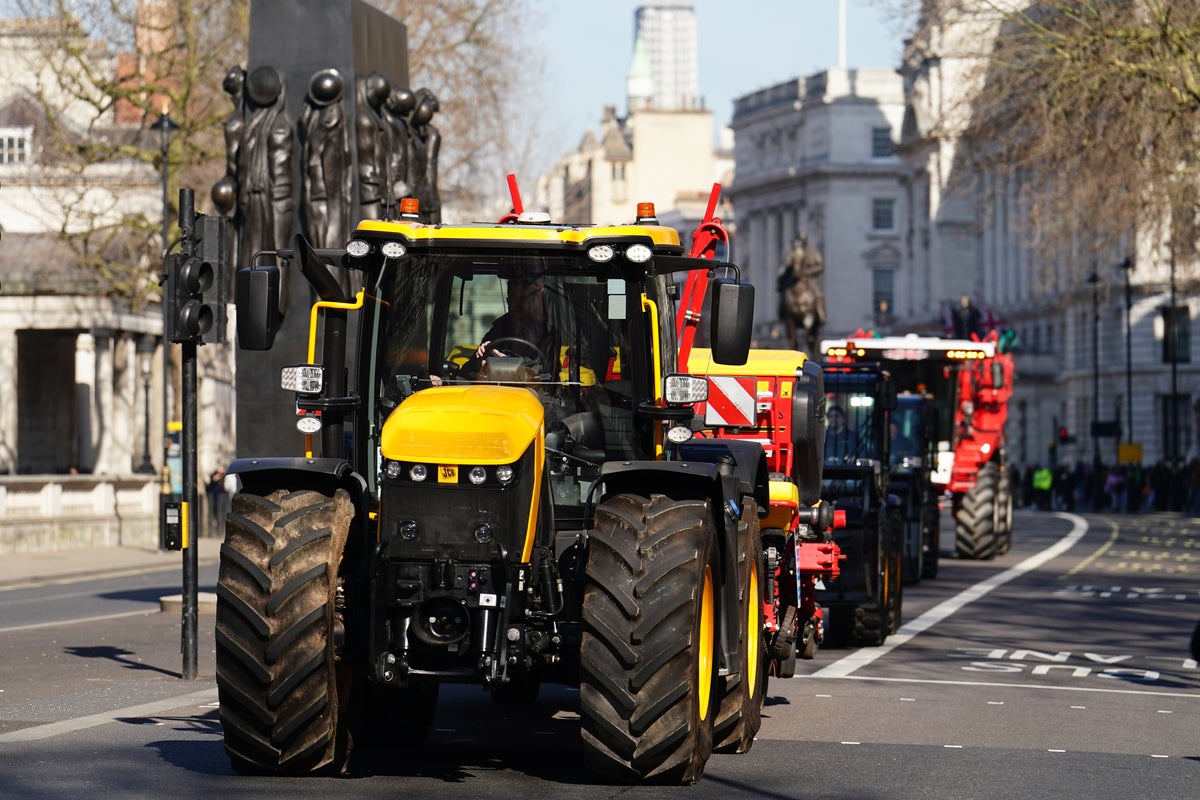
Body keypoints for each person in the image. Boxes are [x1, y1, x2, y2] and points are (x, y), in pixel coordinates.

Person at [476, 277, 557, 372]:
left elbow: (546, 369)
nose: (519, 305)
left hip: (534, 386)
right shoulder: (498, 328)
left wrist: (507, 361)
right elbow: (471, 370)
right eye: (514, 298)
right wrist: (483, 353)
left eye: (523, 299)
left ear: (531, 302)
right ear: (508, 301)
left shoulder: (547, 332)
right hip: (496, 385)